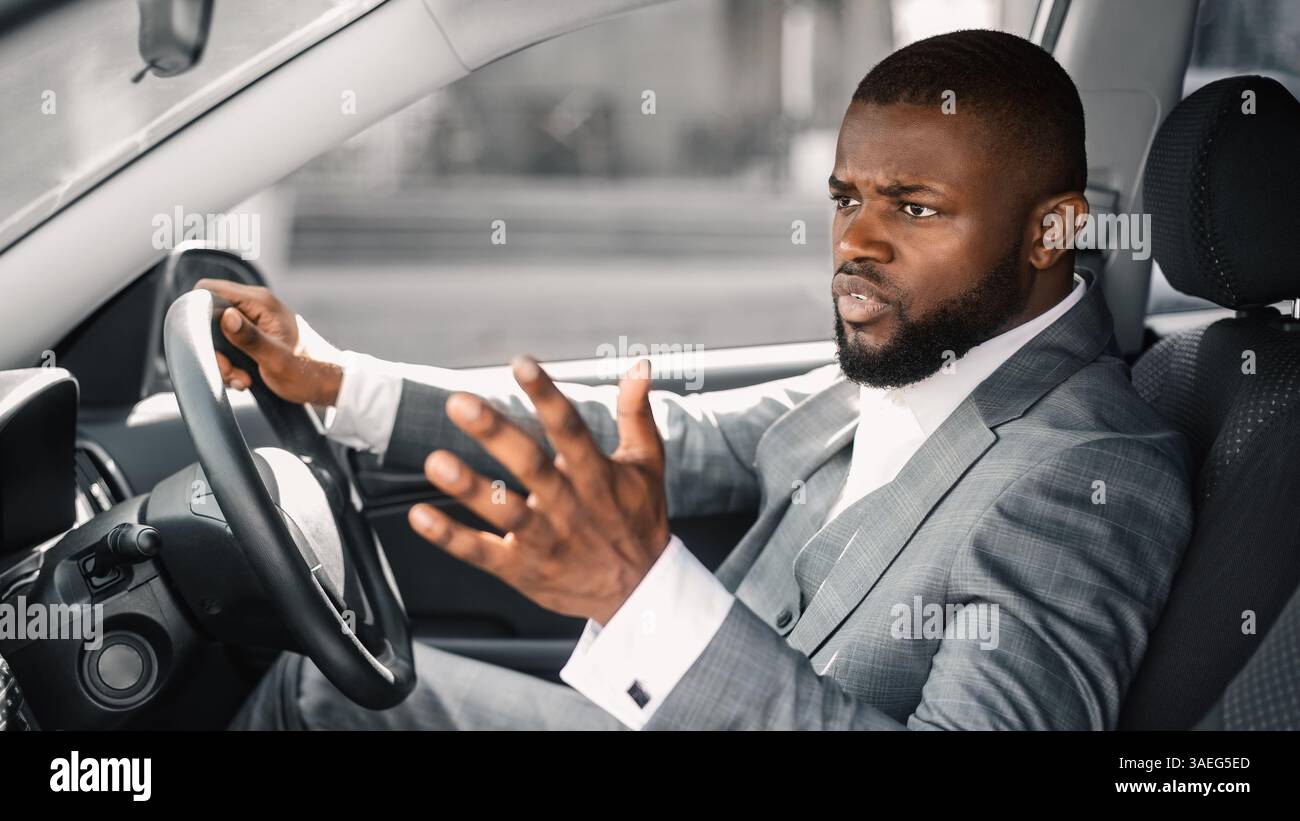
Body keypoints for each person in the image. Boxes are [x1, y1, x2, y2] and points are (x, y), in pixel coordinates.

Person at [228, 29, 1192, 730]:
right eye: (847, 198)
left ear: (1051, 230)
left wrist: (637, 591)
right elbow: (667, 439)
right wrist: (336, 381)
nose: (855, 241)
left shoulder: (1090, 477)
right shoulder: (913, 363)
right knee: (314, 689)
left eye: (915, 206)